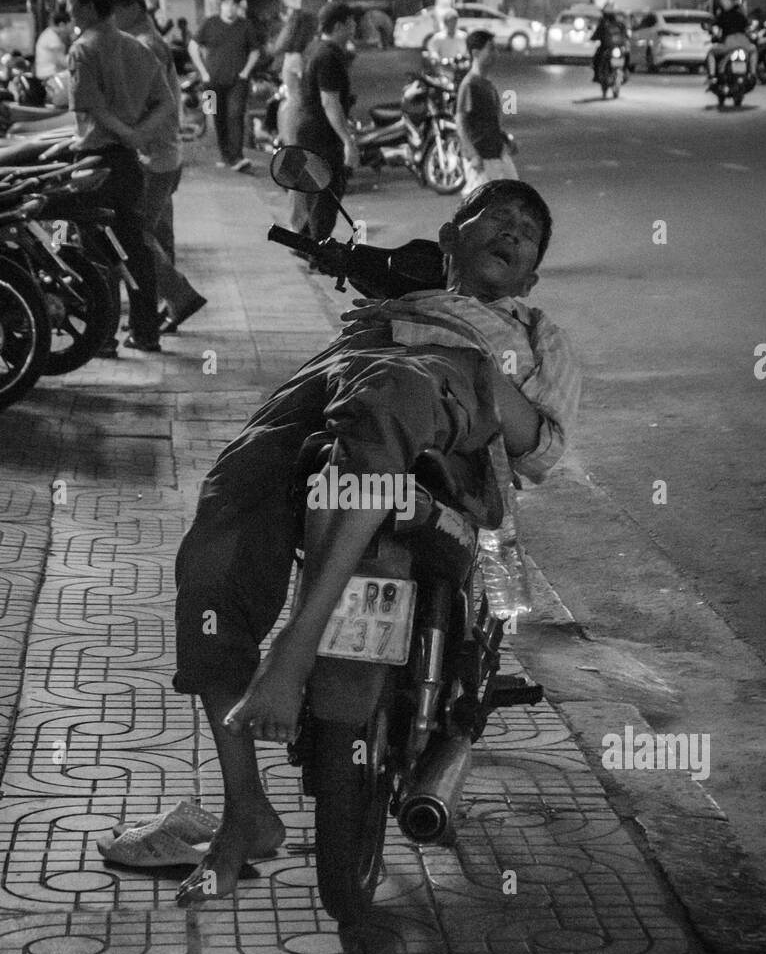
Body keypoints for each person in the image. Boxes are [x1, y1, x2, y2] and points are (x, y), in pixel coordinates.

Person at [161, 178, 580, 902]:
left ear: (531, 274)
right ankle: (244, 810)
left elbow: (542, 451)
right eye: (497, 218)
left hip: (444, 383)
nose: (512, 231)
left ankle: (293, 654)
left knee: (378, 417)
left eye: (527, 232)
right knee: (222, 522)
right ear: (451, 236)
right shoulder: (399, 297)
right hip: (346, 366)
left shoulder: (535, 335)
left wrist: (484, 378)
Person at [66, 0, 176, 353]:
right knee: (135, 248)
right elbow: (166, 101)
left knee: (96, 251)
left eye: (71, 0)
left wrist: (125, 133)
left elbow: (91, 108)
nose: (67, 7)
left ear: (90, 7)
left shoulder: (83, 48)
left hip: (93, 162)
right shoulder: (136, 47)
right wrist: (138, 134)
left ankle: (103, 339)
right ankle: (146, 333)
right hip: (129, 164)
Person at [110, 0, 207, 335]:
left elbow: (138, 103)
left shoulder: (143, 44)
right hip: (164, 151)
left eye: (114, 10)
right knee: (156, 233)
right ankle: (161, 308)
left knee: (136, 236)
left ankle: (177, 298)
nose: (111, 19)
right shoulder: (149, 42)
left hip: (152, 154)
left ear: (133, 8)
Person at [290, 1, 358, 240]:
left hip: (311, 131)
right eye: (351, 23)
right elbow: (330, 103)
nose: (355, 28)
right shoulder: (328, 56)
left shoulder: (317, 49)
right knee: (325, 196)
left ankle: (307, 244)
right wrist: (347, 141)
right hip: (322, 135)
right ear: (339, 26)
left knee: (318, 193)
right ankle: (316, 251)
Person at [188, 0, 260, 172]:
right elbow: (193, 46)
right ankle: (225, 153)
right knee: (216, 116)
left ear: (238, 7)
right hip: (210, 82)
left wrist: (245, 71)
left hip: (238, 81)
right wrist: (202, 71)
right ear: (221, 5)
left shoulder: (245, 26)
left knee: (235, 115)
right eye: (227, 3)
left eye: (234, 4)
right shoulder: (209, 24)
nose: (230, 8)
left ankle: (237, 157)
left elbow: (255, 51)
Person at [456, 29, 519, 200]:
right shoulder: (470, 85)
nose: (495, 53)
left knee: (513, 197)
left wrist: (505, 138)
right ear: (476, 53)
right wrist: (473, 155)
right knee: (481, 208)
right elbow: (461, 122)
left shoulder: (487, 83)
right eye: (490, 49)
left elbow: (489, 120)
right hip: (482, 158)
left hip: (496, 152)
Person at [271, 8, 317, 147]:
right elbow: (307, 86)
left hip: (289, 107)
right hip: (298, 110)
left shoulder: (290, 55)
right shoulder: (297, 59)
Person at [705, 0, 756, 83]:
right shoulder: (741, 16)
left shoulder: (722, 16)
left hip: (729, 44)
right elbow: (748, 30)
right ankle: (752, 73)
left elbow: (715, 29)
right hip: (744, 43)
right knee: (754, 50)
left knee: (711, 53)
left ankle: (712, 76)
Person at [34, 5, 73, 100]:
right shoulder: (53, 40)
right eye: (70, 24)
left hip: (46, 76)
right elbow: (64, 62)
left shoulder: (48, 34)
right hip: (50, 78)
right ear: (62, 25)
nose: (72, 27)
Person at [590, 1, 630, 85]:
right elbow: (597, 33)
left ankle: (625, 72)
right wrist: (593, 38)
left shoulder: (619, 24)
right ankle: (598, 74)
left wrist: (626, 39)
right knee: (597, 56)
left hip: (617, 46)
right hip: (606, 46)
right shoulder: (604, 23)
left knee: (626, 55)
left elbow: (625, 34)